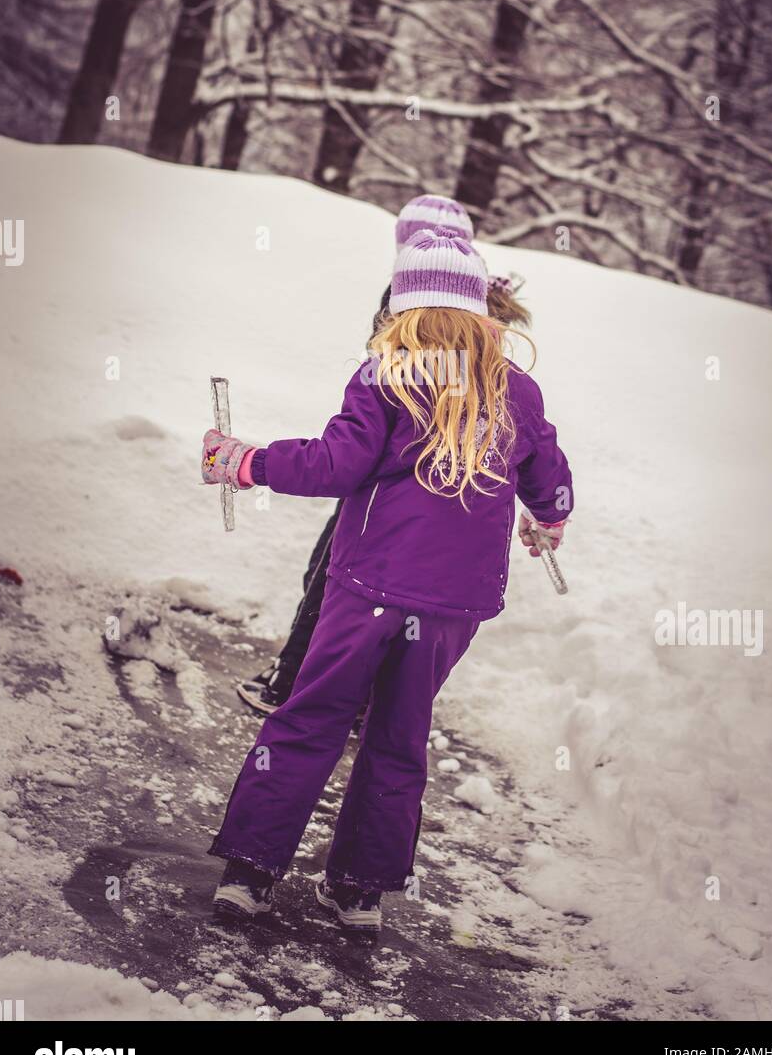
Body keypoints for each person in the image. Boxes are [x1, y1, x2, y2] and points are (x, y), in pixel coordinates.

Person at [201, 226, 573, 931]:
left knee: (309, 719)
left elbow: (334, 466)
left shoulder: (386, 376)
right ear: (478, 310)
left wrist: (243, 462)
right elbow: (548, 476)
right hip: (454, 607)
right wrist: (548, 520)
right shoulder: (515, 389)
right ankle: (359, 892)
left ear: (403, 306)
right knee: (399, 738)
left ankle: (250, 873)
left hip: (367, 590)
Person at [235, 204, 531, 718]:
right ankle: (370, 702)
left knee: (332, 579)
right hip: (457, 505)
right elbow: (530, 443)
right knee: (401, 625)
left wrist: (252, 463)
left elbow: (345, 452)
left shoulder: (405, 310)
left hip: (382, 489)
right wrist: (548, 510)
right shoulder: (483, 313)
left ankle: (295, 685)